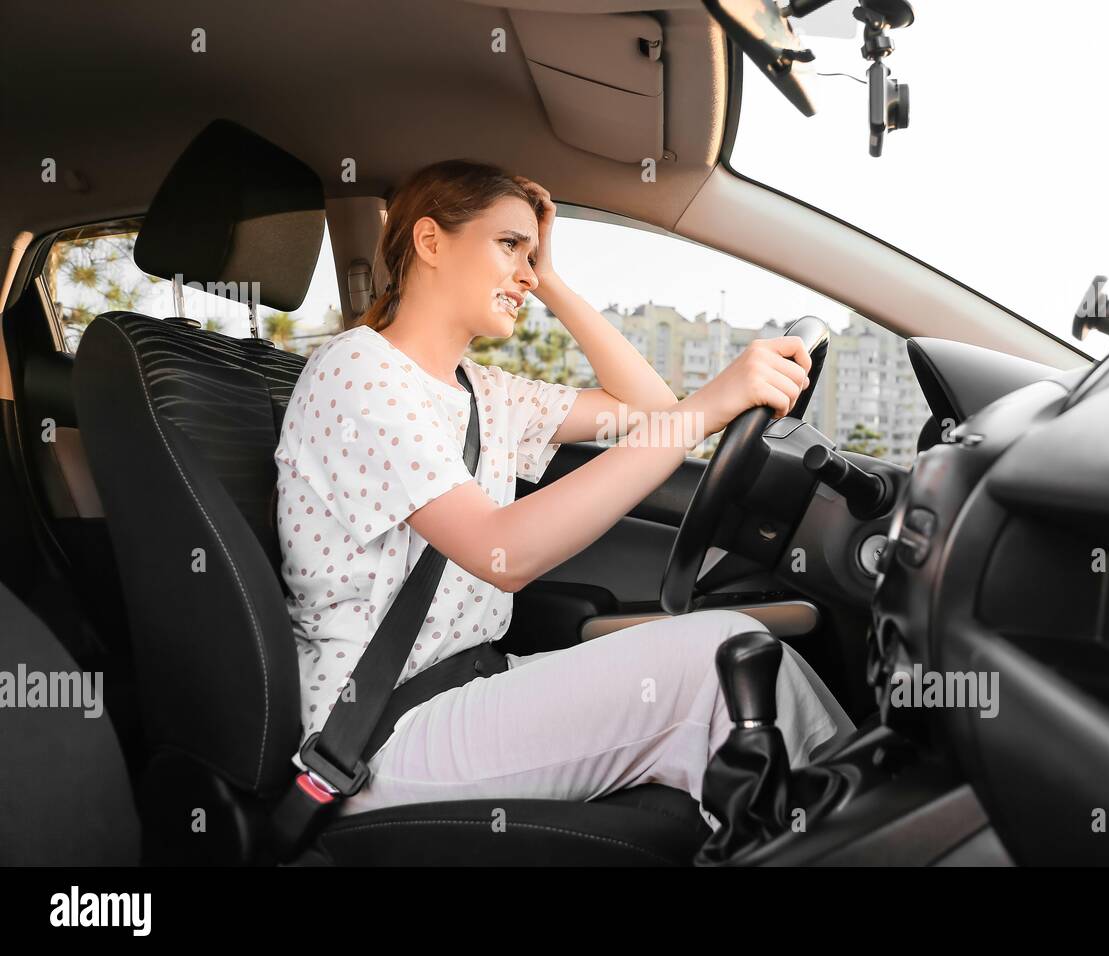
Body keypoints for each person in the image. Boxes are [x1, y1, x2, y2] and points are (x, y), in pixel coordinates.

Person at [272, 159, 856, 831]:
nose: (525, 271)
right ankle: (866, 838)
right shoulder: (357, 369)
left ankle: (847, 827)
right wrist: (709, 406)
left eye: (533, 252)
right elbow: (501, 553)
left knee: (735, 657)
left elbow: (647, 406)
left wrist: (549, 278)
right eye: (509, 246)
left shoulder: (483, 391)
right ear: (430, 243)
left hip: (472, 683)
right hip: (379, 728)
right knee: (719, 659)